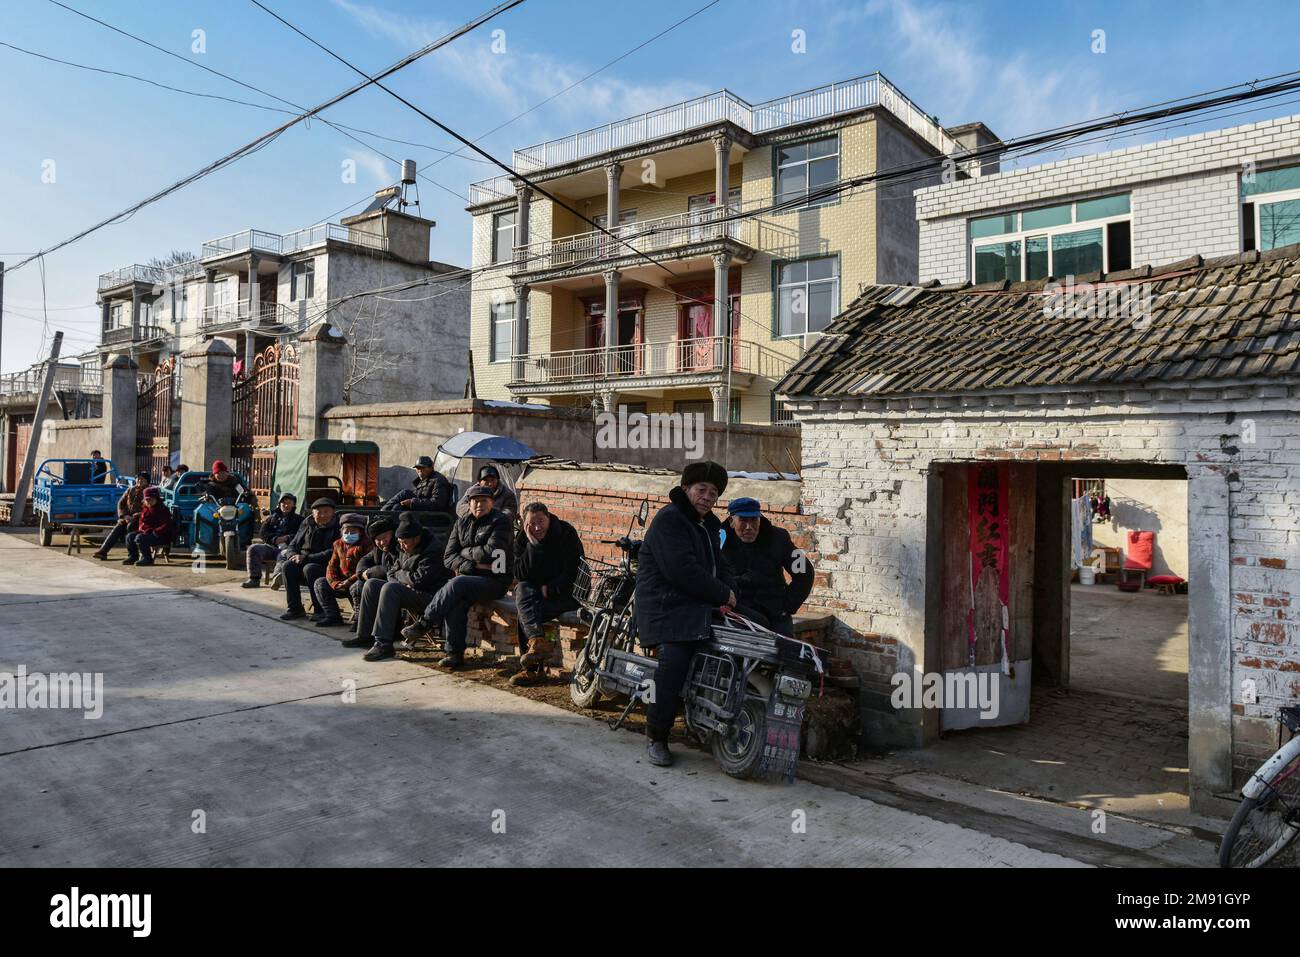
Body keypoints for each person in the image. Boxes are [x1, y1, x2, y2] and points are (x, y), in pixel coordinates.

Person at [635, 460, 736, 768]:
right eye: (701, 489)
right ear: (685, 489)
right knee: (675, 660)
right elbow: (681, 571)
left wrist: (731, 593)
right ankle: (658, 736)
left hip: (697, 604)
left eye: (714, 492)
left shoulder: (706, 525)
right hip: (665, 607)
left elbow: (723, 566)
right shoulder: (671, 520)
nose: (707, 497)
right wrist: (721, 593)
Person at [398, 483, 512, 669]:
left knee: (457, 583)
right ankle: (454, 654)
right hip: (470, 579)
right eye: (475, 501)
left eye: (484, 500)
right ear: (469, 502)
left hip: (495, 581)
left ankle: (424, 623)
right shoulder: (462, 522)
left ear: (492, 503)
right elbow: (448, 557)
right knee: (455, 602)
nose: (479, 504)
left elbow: (492, 551)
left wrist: (464, 552)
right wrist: (472, 563)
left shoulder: (500, 521)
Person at [350, 516, 452, 658]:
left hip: (432, 597)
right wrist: (403, 579)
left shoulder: (433, 549)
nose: (401, 547)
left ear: (416, 539)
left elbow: (419, 581)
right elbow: (391, 572)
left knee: (390, 588)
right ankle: (365, 635)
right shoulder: (404, 543)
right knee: (371, 584)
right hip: (409, 590)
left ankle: (383, 644)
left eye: (404, 543)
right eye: (399, 542)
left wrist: (401, 578)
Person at [509, 502, 584, 687]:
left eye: (541, 521)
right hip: (536, 594)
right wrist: (533, 547)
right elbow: (519, 573)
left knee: (525, 612)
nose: (537, 527)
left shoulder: (565, 533)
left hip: (566, 594)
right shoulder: (523, 538)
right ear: (525, 524)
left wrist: (551, 588)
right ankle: (537, 643)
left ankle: (532, 670)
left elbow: (574, 571)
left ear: (548, 518)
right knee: (523, 591)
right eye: (531, 523)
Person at [720, 497, 814, 638]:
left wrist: (788, 606)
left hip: (776, 611)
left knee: (785, 654)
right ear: (731, 521)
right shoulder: (718, 540)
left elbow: (804, 572)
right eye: (743, 521)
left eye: (753, 520)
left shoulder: (778, 538)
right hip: (738, 612)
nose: (749, 527)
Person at [279, 498, 340, 621]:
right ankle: (295, 609)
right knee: (287, 566)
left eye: (326, 512)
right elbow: (293, 544)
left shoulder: (338, 527)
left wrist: (307, 558)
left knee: (310, 568)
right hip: (303, 560)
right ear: (313, 514)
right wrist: (292, 556)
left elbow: (333, 551)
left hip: (326, 565)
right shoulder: (307, 524)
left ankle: (320, 609)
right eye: (319, 512)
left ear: (333, 513)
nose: (322, 515)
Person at [311, 514, 370, 627]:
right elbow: (331, 566)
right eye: (346, 531)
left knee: (357, 586)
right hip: (340, 582)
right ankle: (333, 617)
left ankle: (359, 621)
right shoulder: (338, 544)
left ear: (361, 532)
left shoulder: (366, 544)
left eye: (353, 531)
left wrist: (349, 581)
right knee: (320, 583)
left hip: (357, 580)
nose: (349, 534)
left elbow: (364, 568)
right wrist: (334, 582)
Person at [344, 516, 398, 634]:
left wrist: (369, 572)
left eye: (385, 537)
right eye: (378, 539)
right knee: (358, 585)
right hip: (382, 583)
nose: (382, 542)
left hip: (395, 585)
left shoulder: (399, 546)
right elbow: (363, 561)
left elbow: (391, 570)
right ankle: (361, 628)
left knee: (371, 584)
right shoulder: (378, 549)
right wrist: (362, 573)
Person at [241, 493, 303, 588]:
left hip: (288, 548)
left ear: (294, 505)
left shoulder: (299, 520)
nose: (286, 505)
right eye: (283, 503)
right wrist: (274, 539)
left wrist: (287, 538)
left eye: (289, 503)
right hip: (271, 546)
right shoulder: (272, 518)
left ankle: (276, 579)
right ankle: (254, 579)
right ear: (279, 504)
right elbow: (263, 533)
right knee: (253, 549)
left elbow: (301, 535)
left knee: (284, 555)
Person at [92, 471, 152, 560]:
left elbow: (150, 508)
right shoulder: (131, 489)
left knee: (130, 527)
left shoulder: (149, 491)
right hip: (128, 518)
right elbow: (121, 503)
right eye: (138, 478)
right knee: (119, 527)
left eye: (142, 479)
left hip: (142, 519)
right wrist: (124, 515)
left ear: (147, 481)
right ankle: (103, 551)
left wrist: (135, 516)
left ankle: (132, 555)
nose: (139, 480)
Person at [384, 455, 455, 514]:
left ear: (431, 468)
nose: (420, 471)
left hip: (432, 515)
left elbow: (437, 504)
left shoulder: (438, 480)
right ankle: (382, 517)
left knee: (405, 493)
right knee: (397, 507)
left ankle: (382, 513)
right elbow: (418, 495)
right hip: (421, 510)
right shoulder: (424, 479)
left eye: (423, 468)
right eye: (418, 468)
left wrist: (413, 502)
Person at [123, 486, 173, 566]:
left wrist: (153, 532)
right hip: (147, 532)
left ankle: (147, 559)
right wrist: (142, 529)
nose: (148, 501)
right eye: (147, 499)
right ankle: (133, 557)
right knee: (129, 536)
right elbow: (142, 522)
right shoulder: (146, 509)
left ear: (156, 498)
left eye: (151, 499)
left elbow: (166, 525)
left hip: (160, 536)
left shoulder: (162, 509)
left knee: (140, 538)